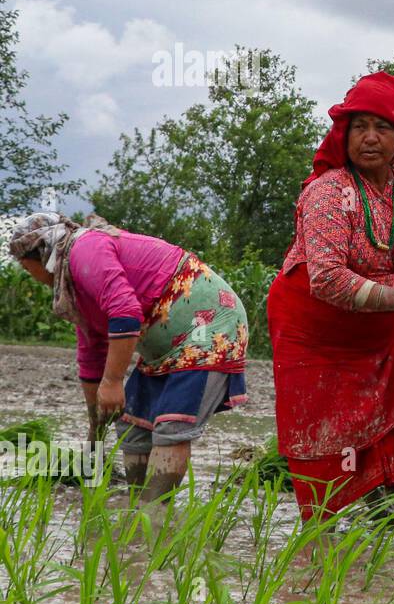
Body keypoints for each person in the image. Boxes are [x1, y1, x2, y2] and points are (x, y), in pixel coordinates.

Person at [267, 72, 394, 521]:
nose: (371, 138)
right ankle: (323, 547)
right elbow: (327, 279)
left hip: (377, 327)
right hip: (315, 327)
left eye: (382, 128)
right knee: (326, 437)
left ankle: (381, 513)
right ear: (345, 135)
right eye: (360, 127)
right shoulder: (329, 192)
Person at [8, 212, 248, 501]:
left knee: (172, 426)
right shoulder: (73, 287)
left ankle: (155, 512)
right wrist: (95, 426)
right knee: (132, 425)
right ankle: (136, 510)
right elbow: (91, 354)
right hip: (162, 349)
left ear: (40, 253)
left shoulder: (85, 250)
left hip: (206, 327)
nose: (30, 276)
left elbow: (125, 311)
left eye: (25, 267)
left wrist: (113, 380)